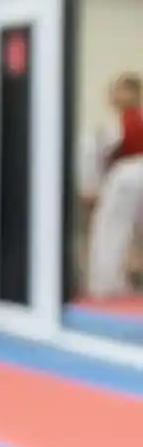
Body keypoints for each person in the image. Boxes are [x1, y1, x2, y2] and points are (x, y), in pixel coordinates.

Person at [83, 74, 143, 298]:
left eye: (119, 90)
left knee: (111, 229)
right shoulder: (119, 122)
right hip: (128, 177)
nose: (113, 95)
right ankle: (113, 281)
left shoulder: (116, 124)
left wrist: (91, 189)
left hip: (127, 176)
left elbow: (99, 156)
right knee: (121, 231)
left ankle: (106, 283)